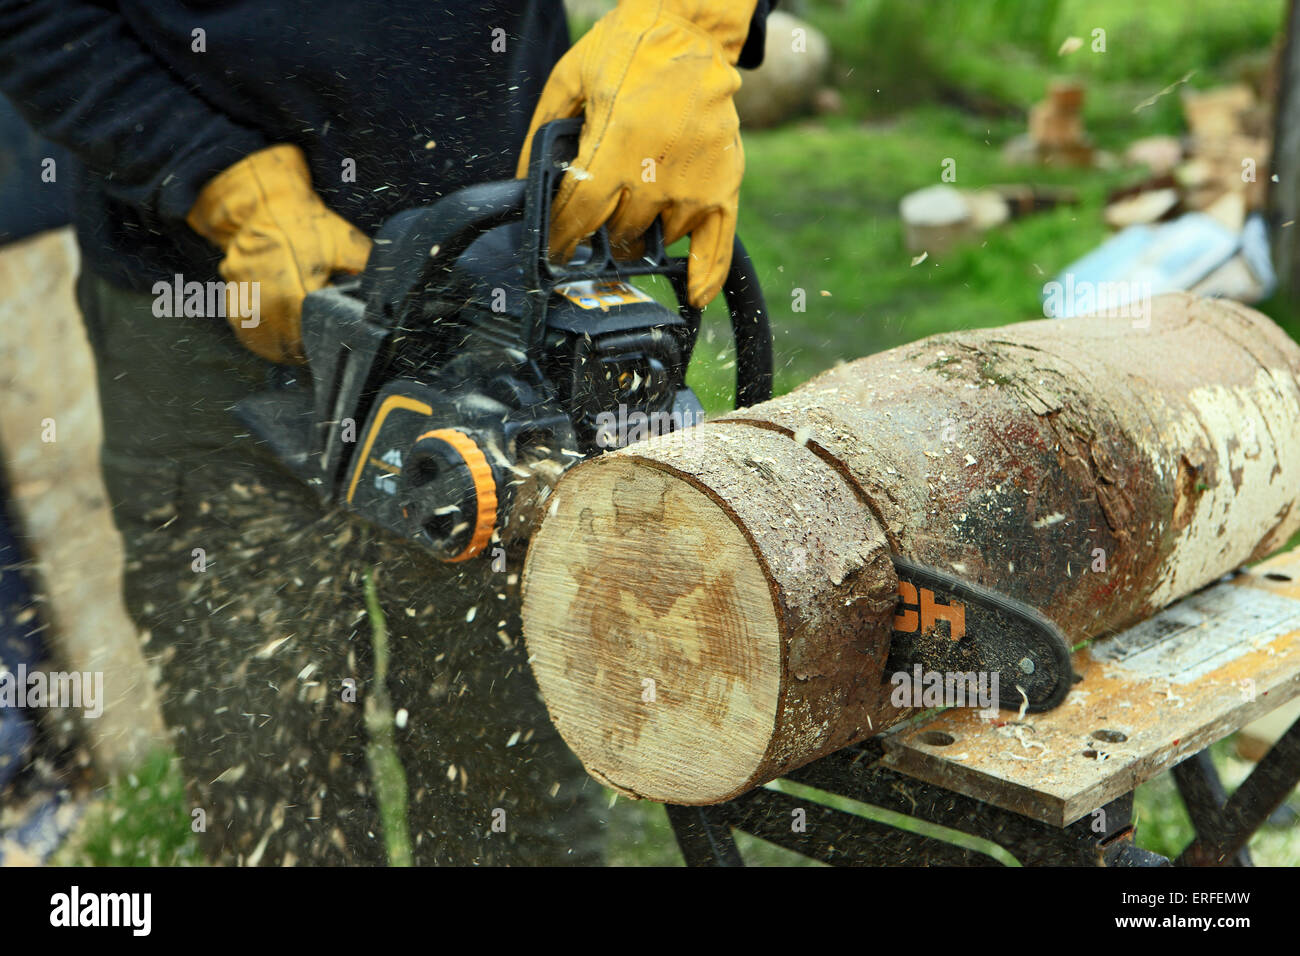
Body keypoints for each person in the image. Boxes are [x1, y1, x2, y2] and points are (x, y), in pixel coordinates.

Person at [0, 0, 773, 865]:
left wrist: (689, 24)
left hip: (501, 264)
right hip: (202, 290)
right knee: (268, 782)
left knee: (512, 781)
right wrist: (214, 176)